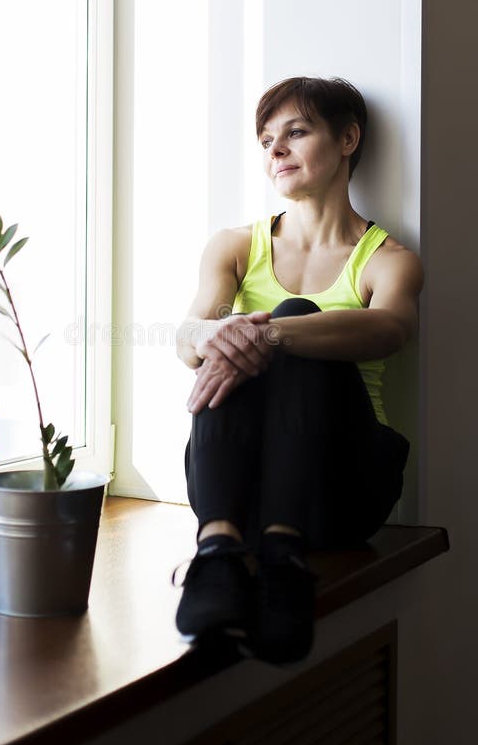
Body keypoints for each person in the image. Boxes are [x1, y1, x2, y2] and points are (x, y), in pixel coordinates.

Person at [173, 76, 423, 664]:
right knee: (227, 342)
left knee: (288, 317)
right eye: (266, 140)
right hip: (238, 493)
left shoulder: (388, 260)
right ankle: (217, 555)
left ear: (347, 140)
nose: (275, 151)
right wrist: (221, 335)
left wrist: (274, 334)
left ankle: (284, 560)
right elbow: (188, 339)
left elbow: (390, 329)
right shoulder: (234, 247)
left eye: (296, 132)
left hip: (344, 492)